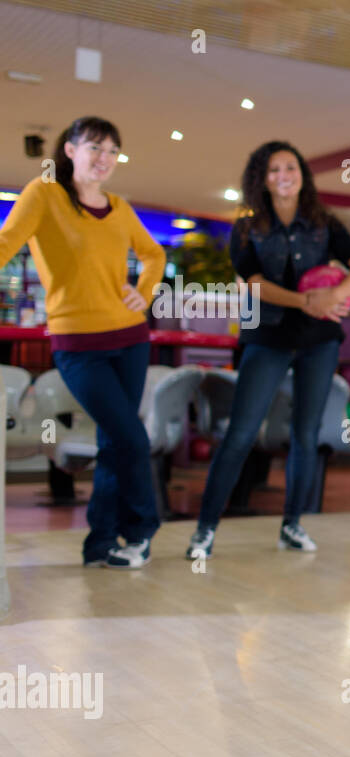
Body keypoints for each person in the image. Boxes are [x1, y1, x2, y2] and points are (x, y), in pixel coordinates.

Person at [185, 141, 350, 559]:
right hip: (266, 335)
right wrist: (306, 301)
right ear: (261, 179)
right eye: (273, 169)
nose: (283, 175)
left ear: (302, 174)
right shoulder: (247, 229)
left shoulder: (325, 223)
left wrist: (337, 293)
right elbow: (253, 282)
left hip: (318, 340)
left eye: (290, 167)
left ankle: (292, 526)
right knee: (241, 433)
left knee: (306, 434)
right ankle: (204, 530)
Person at [0, 116, 165, 568]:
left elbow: (154, 253)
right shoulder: (45, 194)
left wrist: (144, 290)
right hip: (77, 344)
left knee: (116, 439)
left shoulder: (119, 206)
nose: (104, 158)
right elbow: (6, 242)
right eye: (95, 147)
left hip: (130, 337)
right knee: (130, 436)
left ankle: (100, 544)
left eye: (112, 151)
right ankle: (140, 531)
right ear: (69, 150)